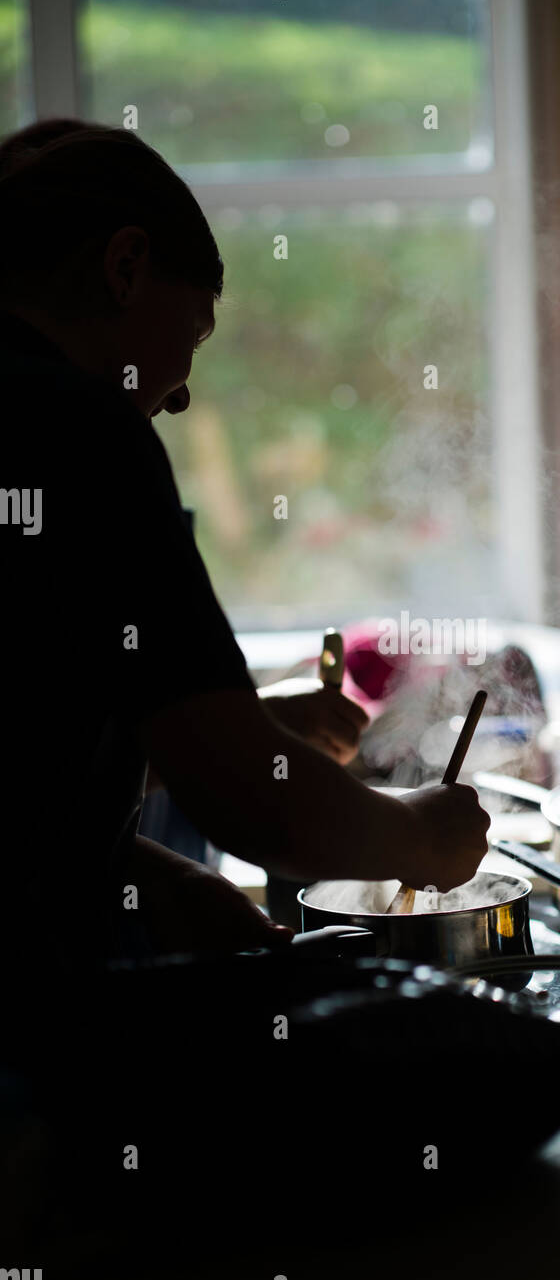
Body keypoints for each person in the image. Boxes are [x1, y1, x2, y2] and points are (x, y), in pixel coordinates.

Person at [0, 119, 490, 967]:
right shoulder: (80, 429)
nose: (183, 397)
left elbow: (27, 766)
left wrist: (165, 880)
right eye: (190, 338)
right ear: (125, 267)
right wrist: (421, 838)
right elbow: (260, 813)